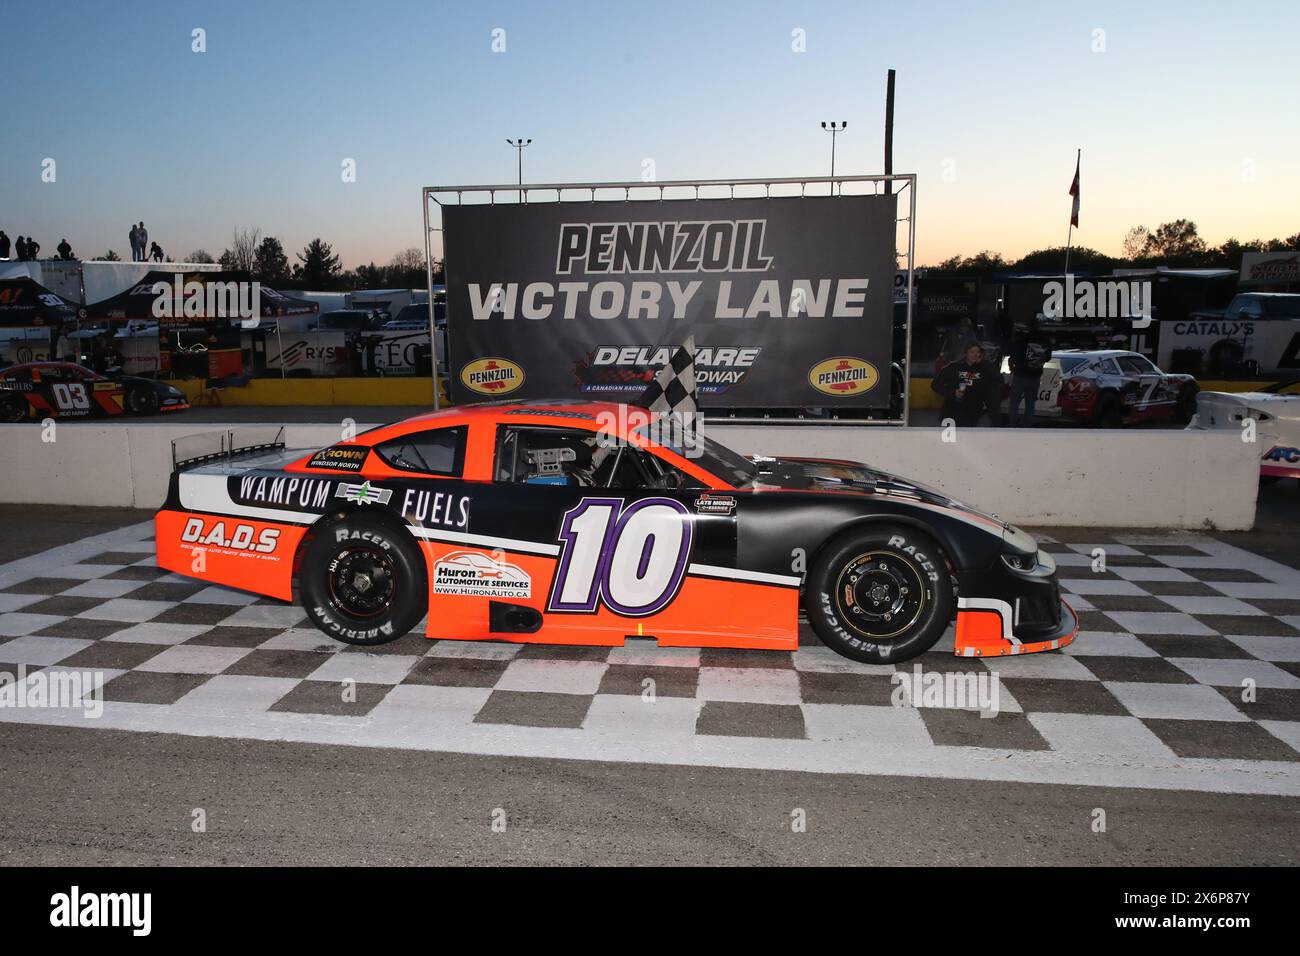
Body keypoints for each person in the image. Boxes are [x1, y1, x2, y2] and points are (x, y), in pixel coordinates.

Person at [931, 342, 998, 428]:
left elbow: (996, 380)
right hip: (952, 412)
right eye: (972, 352)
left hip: (973, 413)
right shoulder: (954, 367)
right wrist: (953, 392)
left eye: (977, 352)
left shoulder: (984, 369)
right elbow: (935, 385)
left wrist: (984, 363)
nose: (975, 355)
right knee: (948, 440)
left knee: (967, 440)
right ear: (966, 353)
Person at [1007, 318, 1050, 426]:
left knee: (1014, 403)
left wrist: (1012, 366)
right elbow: (1048, 357)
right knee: (1030, 404)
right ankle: (1027, 426)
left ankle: (1012, 425)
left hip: (1020, 375)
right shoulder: (1044, 340)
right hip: (1035, 376)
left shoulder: (1022, 339)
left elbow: (1014, 356)